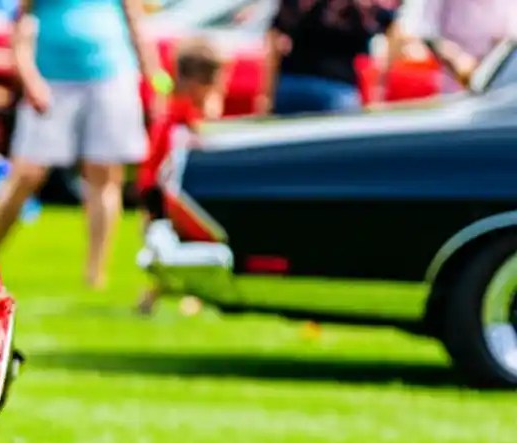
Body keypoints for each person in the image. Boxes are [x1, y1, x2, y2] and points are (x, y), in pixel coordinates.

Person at [0, 0, 167, 289]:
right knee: (27, 172)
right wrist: (29, 78)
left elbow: (135, 21)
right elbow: (20, 27)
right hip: (51, 79)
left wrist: (155, 78)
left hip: (112, 74)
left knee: (104, 173)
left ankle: (95, 273)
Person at [135, 37, 226, 316]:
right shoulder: (182, 115)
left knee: (179, 246)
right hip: (166, 194)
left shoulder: (173, 111)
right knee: (182, 246)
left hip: (161, 191)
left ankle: (155, 296)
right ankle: (172, 295)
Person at [258, 0, 403, 116]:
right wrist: (381, 85)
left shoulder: (299, 5)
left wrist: (268, 95)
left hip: (292, 84)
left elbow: (274, 42)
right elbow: (393, 31)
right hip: (337, 88)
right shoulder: (362, 6)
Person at [399, 0, 517, 92]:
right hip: (454, 89)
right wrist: (458, 59)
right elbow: (422, 29)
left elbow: (511, 36)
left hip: (499, 88)